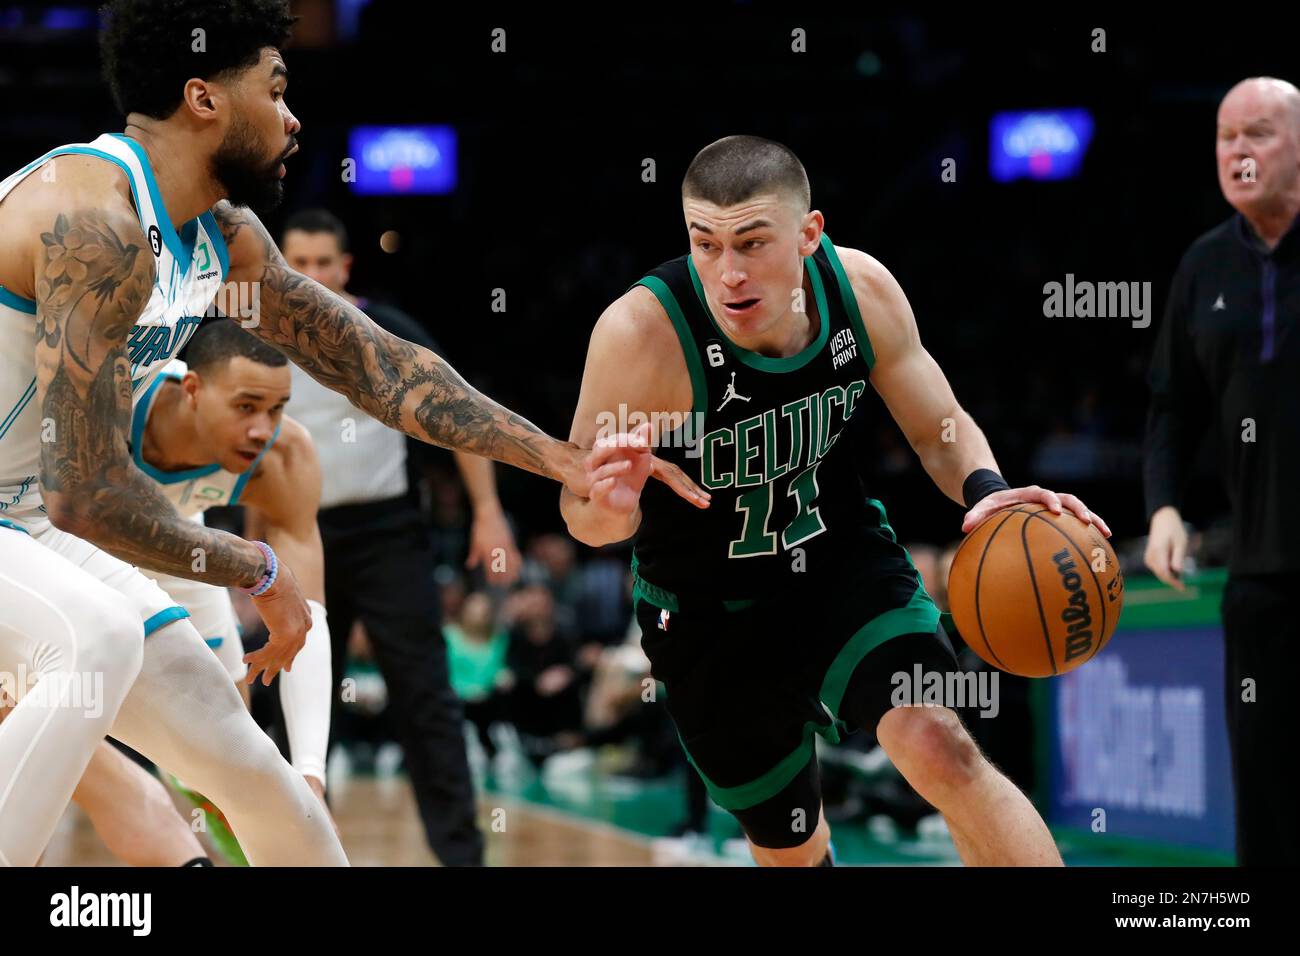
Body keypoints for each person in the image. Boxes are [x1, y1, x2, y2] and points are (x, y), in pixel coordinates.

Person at [0, 0, 702, 867]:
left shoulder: (222, 241)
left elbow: (376, 365)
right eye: (276, 88)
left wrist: (562, 457)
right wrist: (255, 567)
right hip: (39, 513)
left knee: (246, 766)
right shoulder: (95, 222)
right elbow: (86, 492)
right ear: (204, 98)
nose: (294, 119)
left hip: (26, 517)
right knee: (96, 643)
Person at [561, 135, 1111, 866]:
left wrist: (994, 494)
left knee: (937, 745)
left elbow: (941, 434)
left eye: (753, 243)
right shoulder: (639, 336)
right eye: (706, 243)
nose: (728, 273)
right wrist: (613, 504)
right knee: (792, 845)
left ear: (809, 234)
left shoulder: (860, 291)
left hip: (838, 565)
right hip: (704, 614)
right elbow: (583, 517)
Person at [281, 207, 516, 865]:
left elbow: (460, 411)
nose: (312, 275)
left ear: (345, 267)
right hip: (301, 537)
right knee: (299, 700)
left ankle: (462, 856)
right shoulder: (260, 334)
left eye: (324, 262)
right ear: (281, 267)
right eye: (298, 263)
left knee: (426, 698)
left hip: (388, 534)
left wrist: (488, 513)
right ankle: (294, 850)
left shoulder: (386, 331)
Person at [1143, 76, 1300, 866]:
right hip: (1261, 579)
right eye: (1225, 137)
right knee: (1267, 801)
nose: (1238, 151)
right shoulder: (1205, 267)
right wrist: (1165, 507)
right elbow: (1170, 406)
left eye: (1260, 134)